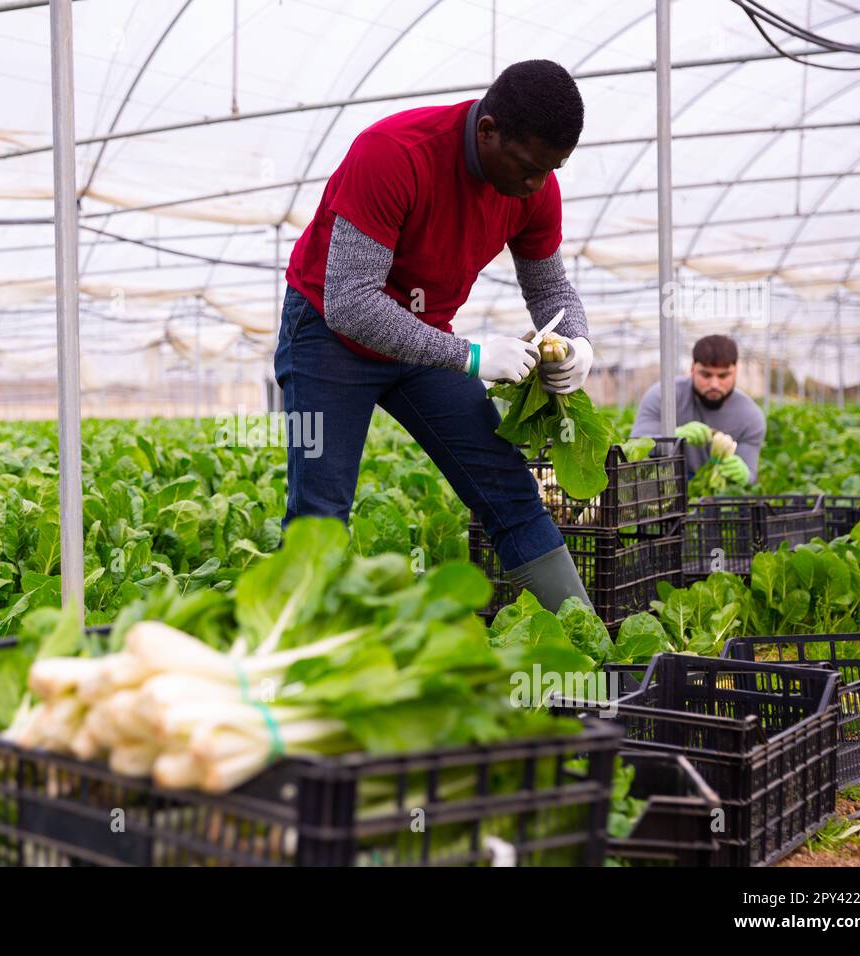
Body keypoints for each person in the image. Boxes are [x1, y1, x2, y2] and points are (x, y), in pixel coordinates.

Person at [274, 60, 595, 613]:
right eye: (527, 168)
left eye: (551, 169)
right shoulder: (394, 155)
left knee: (509, 487)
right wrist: (470, 356)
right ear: (488, 130)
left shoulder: (535, 188)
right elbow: (353, 305)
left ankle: (590, 647)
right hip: (329, 335)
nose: (534, 185)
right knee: (319, 515)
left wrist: (576, 341)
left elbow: (549, 287)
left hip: (422, 338)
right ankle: (297, 665)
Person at [629, 334, 766, 484]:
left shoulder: (750, 417)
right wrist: (673, 437)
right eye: (706, 375)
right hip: (665, 488)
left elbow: (750, 473)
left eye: (723, 376)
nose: (714, 384)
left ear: (735, 371)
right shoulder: (663, 396)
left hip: (718, 497)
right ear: (693, 369)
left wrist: (745, 476)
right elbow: (633, 449)